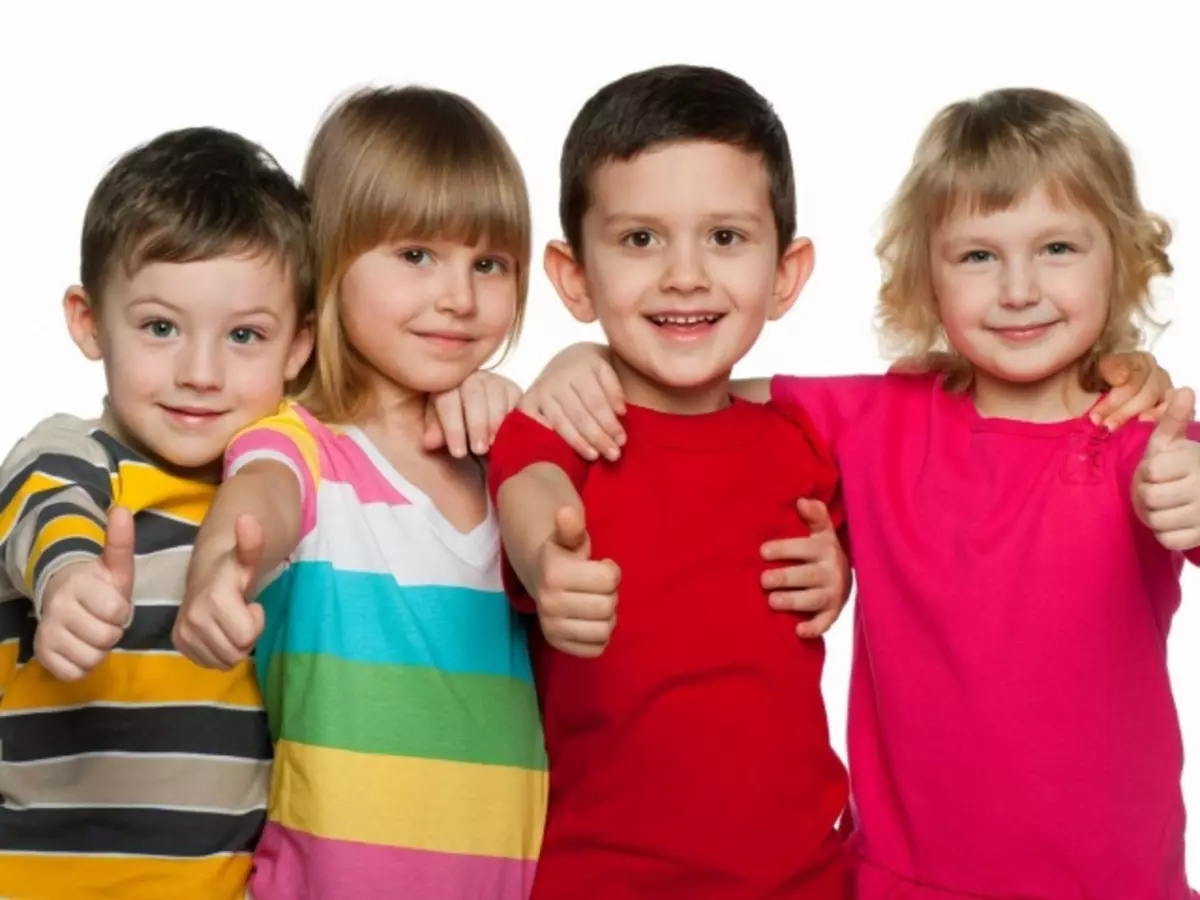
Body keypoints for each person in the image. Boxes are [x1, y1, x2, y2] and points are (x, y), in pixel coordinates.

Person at [514, 86, 1198, 898]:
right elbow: (705, 392)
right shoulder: (876, 418)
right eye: (978, 255)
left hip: (1116, 884)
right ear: (927, 273)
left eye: (1058, 248)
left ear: (1119, 256)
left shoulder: (1146, 435)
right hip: (898, 883)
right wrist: (580, 364)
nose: (1019, 289)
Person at [487, 64, 856, 899]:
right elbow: (528, 488)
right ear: (575, 276)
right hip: (599, 878)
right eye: (640, 239)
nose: (684, 274)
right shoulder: (563, 422)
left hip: (806, 878)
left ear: (787, 273)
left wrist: (844, 565)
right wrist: (550, 562)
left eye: (725, 237)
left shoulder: (805, 438)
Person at [171, 86, 547, 900]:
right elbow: (258, 504)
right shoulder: (302, 447)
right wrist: (217, 573)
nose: (459, 296)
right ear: (334, 260)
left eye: (489, 263)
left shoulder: (507, 461)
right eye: (416, 255)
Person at [0, 126, 313, 900]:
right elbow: (45, 505)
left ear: (299, 348)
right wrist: (68, 580)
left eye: (244, 335)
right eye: (160, 327)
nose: (199, 372)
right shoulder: (77, 452)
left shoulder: (287, 485)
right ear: (87, 320)